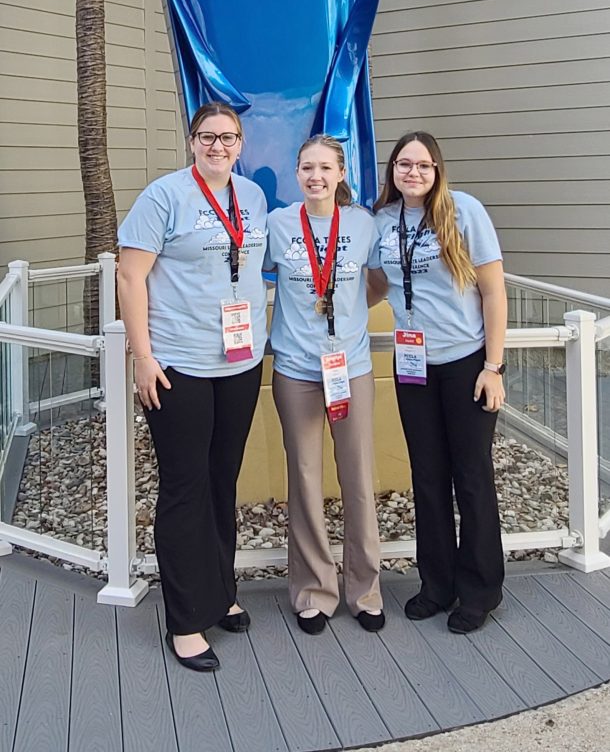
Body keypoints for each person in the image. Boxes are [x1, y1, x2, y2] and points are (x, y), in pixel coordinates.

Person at [117, 102, 268, 671]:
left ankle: (220, 591)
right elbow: (131, 276)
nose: (219, 147)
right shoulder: (163, 197)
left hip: (239, 363)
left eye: (229, 137)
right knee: (184, 486)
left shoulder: (251, 198)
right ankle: (184, 619)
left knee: (222, 480)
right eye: (208, 137)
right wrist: (142, 355)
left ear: (240, 143)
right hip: (178, 364)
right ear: (191, 141)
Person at [368, 131, 507, 634]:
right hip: (413, 366)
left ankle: (479, 590)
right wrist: (330, 312)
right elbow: (379, 283)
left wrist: (494, 367)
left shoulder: (463, 211)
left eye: (423, 165)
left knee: (470, 477)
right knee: (427, 476)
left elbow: (493, 291)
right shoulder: (383, 221)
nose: (413, 173)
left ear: (437, 170)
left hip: (466, 363)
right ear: (393, 171)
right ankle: (437, 584)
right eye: (404, 165)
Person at [266, 134, 385, 634]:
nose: (315, 176)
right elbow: (253, 280)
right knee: (306, 480)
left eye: (325, 168)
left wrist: (348, 318)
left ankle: (365, 590)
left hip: (350, 369)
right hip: (296, 371)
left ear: (341, 174)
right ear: (297, 174)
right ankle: (314, 589)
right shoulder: (277, 224)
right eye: (306, 168)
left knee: (358, 478)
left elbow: (378, 281)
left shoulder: (363, 225)